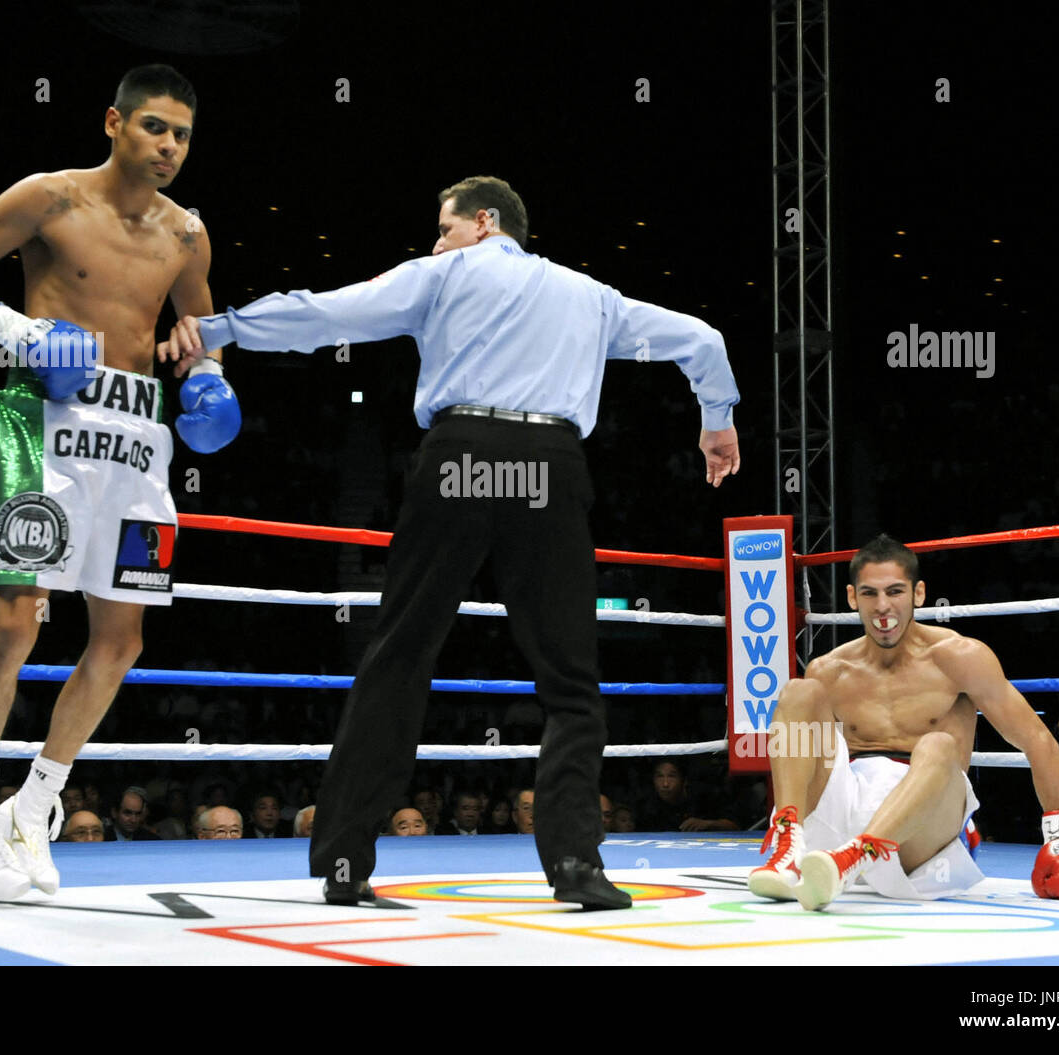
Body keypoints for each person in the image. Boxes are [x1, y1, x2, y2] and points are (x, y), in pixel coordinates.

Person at [160, 175, 741, 911]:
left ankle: (344, 860)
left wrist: (216, 329)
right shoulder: (592, 296)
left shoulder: (445, 272)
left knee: (399, 655)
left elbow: (328, 313)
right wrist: (716, 419)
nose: (435, 242)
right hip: (547, 469)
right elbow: (704, 340)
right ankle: (576, 866)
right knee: (570, 680)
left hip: (461, 454)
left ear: (483, 222)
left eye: (443, 227)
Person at [0, 64, 239, 901]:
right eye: (155, 128)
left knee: (123, 637)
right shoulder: (50, 198)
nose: (170, 147)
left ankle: (39, 803)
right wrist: (17, 327)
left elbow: (197, 331)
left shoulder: (188, 235)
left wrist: (206, 373)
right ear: (113, 123)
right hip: (45, 423)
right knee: (17, 616)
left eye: (183, 135)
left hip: (139, 439)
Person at [749, 534, 1059, 910]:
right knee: (797, 692)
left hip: (924, 827)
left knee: (938, 743)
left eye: (895, 592)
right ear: (853, 598)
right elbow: (807, 752)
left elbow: (1036, 739)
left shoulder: (960, 657)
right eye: (870, 594)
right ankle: (789, 845)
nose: (883, 607)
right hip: (844, 818)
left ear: (918, 594)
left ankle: (857, 856)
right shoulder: (831, 669)